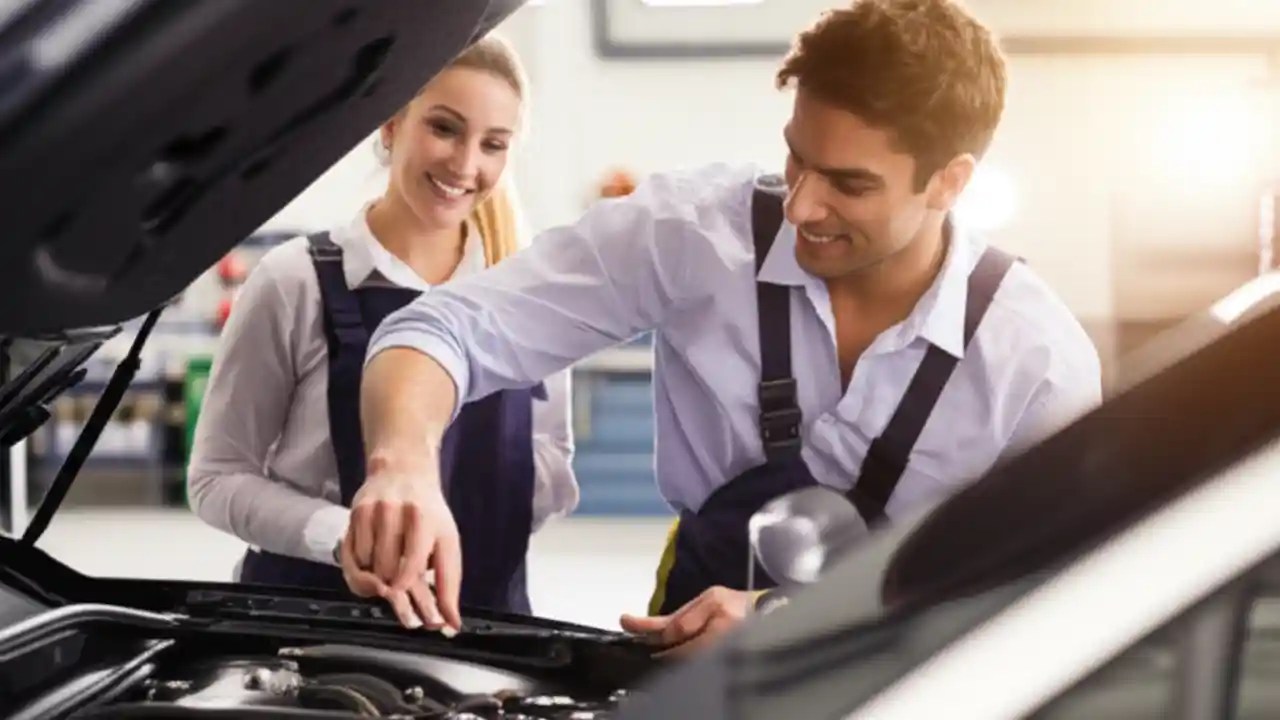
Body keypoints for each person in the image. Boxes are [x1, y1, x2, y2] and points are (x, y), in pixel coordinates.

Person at [349, 0, 1102, 651]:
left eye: (850, 184)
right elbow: (445, 329)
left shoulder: (1038, 365)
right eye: (797, 159)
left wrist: (780, 621)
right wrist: (402, 464)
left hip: (900, 675)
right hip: (685, 659)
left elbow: (1052, 598)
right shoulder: (695, 233)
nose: (801, 206)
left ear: (950, 181)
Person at [186, 35, 577, 631]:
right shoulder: (296, 281)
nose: (465, 165)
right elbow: (216, 479)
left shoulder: (526, 296)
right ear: (391, 124)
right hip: (307, 623)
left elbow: (548, 465)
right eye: (444, 128)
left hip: (483, 629)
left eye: (493, 144)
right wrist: (345, 536)